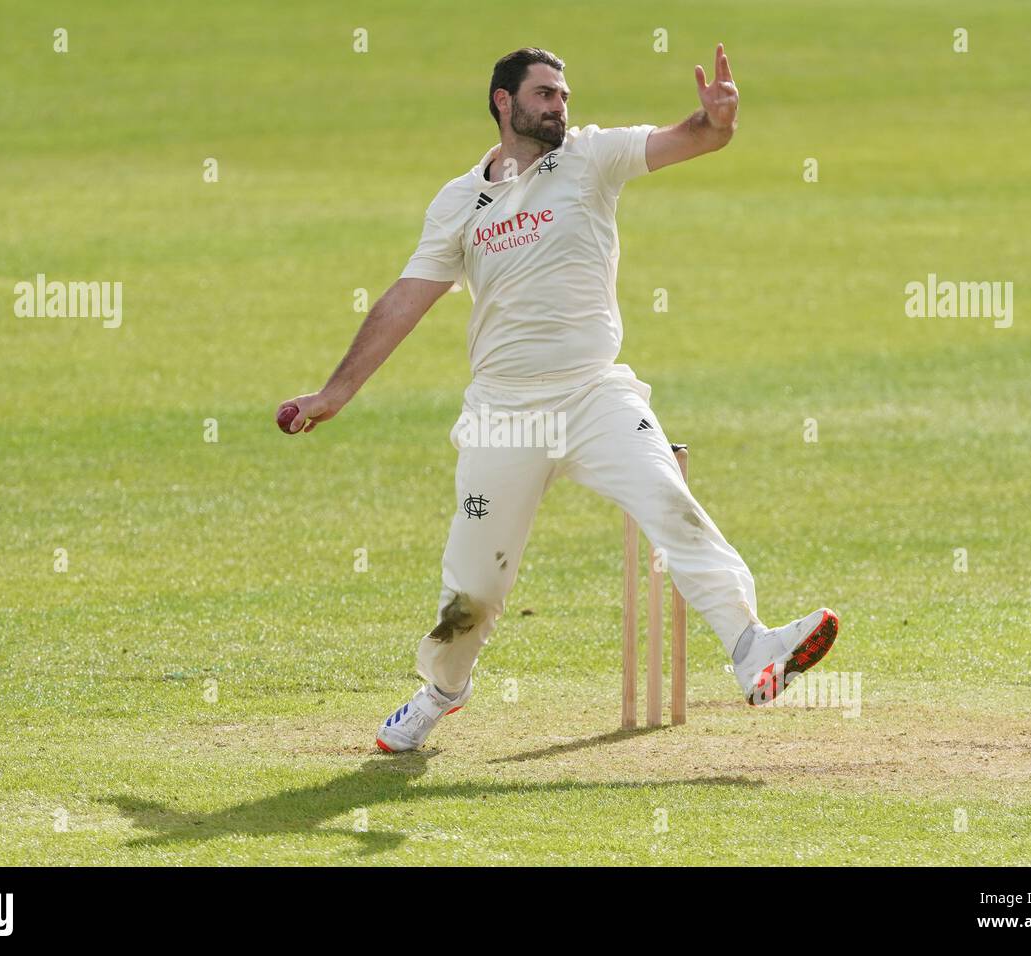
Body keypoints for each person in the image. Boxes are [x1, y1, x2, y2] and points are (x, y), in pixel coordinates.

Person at [276, 44, 839, 752]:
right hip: (503, 415)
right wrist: (335, 392)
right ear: (503, 103)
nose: (560, 107)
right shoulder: (459, 202)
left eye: (564, 95)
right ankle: (444, 691)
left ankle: (752, 646)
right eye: (545, 95)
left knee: (670, 502)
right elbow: (404, 301)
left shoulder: (591, 157)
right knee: (471, 595)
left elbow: (689, 138)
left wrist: (718, 120)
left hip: (594, 393)